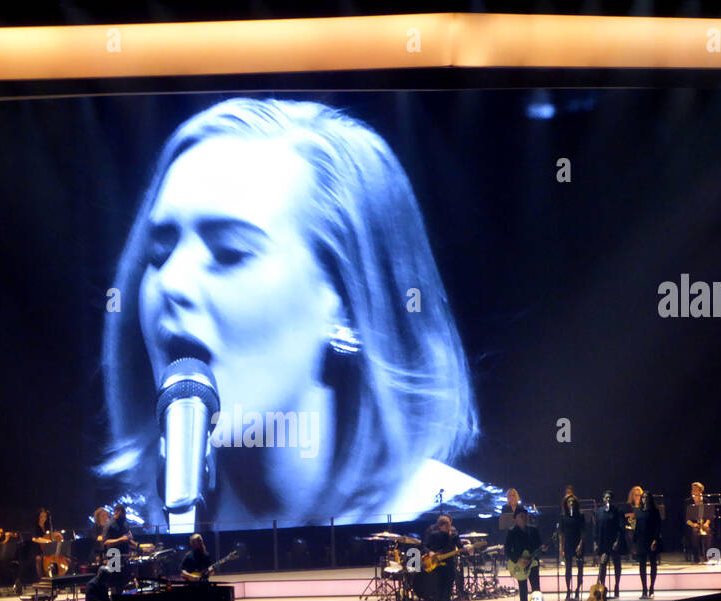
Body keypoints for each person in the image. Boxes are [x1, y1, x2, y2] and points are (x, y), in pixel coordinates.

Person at [98, 97, 502, 531]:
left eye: (231, 252)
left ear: (346, 303)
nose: (171, 281)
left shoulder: (461, 526)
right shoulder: (129, 534)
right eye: (159, 252)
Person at [424, 514, 470, 601]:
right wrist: (430, 552)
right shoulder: (434, 535)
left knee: (448, 593)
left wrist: (468, 550)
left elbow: (460, 548)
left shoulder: (454, 536)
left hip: (450, 566)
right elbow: (424, 546)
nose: (449, 528)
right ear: (441, 526)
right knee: (440, 593)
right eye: (446, 526)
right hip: (439, 567)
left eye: (449, 525)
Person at [504, 508, 543, 601]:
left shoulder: (533, 530)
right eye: (521, 516)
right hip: (519, 564)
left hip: (533, 563)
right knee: (523, 590)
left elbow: (539, 546)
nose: (524, 518)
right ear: (516, 519)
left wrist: (542, 549)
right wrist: (518, 559)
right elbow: (507, 550)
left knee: (536, 589)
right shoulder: (512, 532)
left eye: (525, 516)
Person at [593, 490, 625, 599]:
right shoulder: (598, 512)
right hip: (602, 541)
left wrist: (617, 541)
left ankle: (617, 585)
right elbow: (596, 528)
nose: (608, 499)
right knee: (603, 565)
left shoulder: (617, 511)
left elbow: (621, 528)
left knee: (617, 564)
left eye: (610, 498)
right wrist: (595, 542)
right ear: (603, 499)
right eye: (606, 497)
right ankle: (602, 587)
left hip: (614, 542)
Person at [557, 487, 585, 601]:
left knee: (580, 568)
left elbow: (584, 532)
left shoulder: (580, 515)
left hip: (578, 543)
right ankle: (568, 590)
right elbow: (561, 534)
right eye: (568, 502)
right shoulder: (563, 517)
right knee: (568, 568)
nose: (570, 504)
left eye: (572, 502)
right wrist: (561, 548)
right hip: (568, 543)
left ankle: (578, 590)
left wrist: (580, 544)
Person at [634, 490, 663, 598]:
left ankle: (652, 588)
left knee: (653, 563)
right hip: (641, 540)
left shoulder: (655, 511)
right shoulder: (639, 511)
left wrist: (655, 540)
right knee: (642, 565)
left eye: (646, 497)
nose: (644, 499)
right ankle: (644, 589)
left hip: (651, 539)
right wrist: (635, 540)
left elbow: (658, 526)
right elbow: (637, 526)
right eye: (643, 497)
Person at [684, 481, 710, 564]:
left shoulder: (706, 501)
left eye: (695, 490)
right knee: (695, 532)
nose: (693, 492)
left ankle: (707, 555)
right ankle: (696, 556)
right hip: (693, 524)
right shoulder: (688, 501)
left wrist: (706, 523)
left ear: (700, 491)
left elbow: (710, 515)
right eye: (692, 490)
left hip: (704, 523)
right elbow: (686, 518)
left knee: (708, 531)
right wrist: (693, 524)